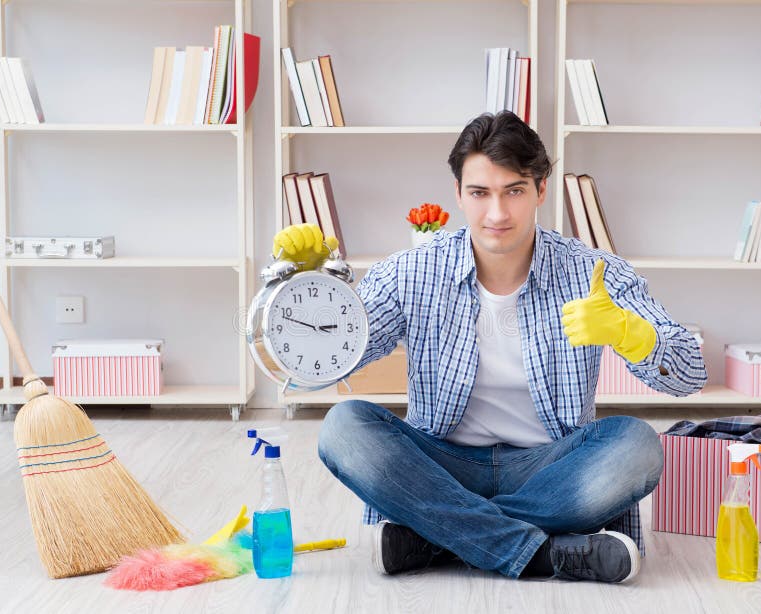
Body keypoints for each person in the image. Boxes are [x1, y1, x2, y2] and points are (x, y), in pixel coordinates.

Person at [271, 111, 706, 583]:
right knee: (343, 427)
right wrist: (310, 291)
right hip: (441, 464)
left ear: (541, 190)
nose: (497, 214)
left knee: (636, 446)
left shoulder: (594, 272)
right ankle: (545, 554)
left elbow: (689, 373)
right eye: (480, 193)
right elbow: (329, 364)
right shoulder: (412, 271)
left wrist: (629, 332)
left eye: (514, 191)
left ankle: (436, 537)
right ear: (458, 193)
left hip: (551, 467)